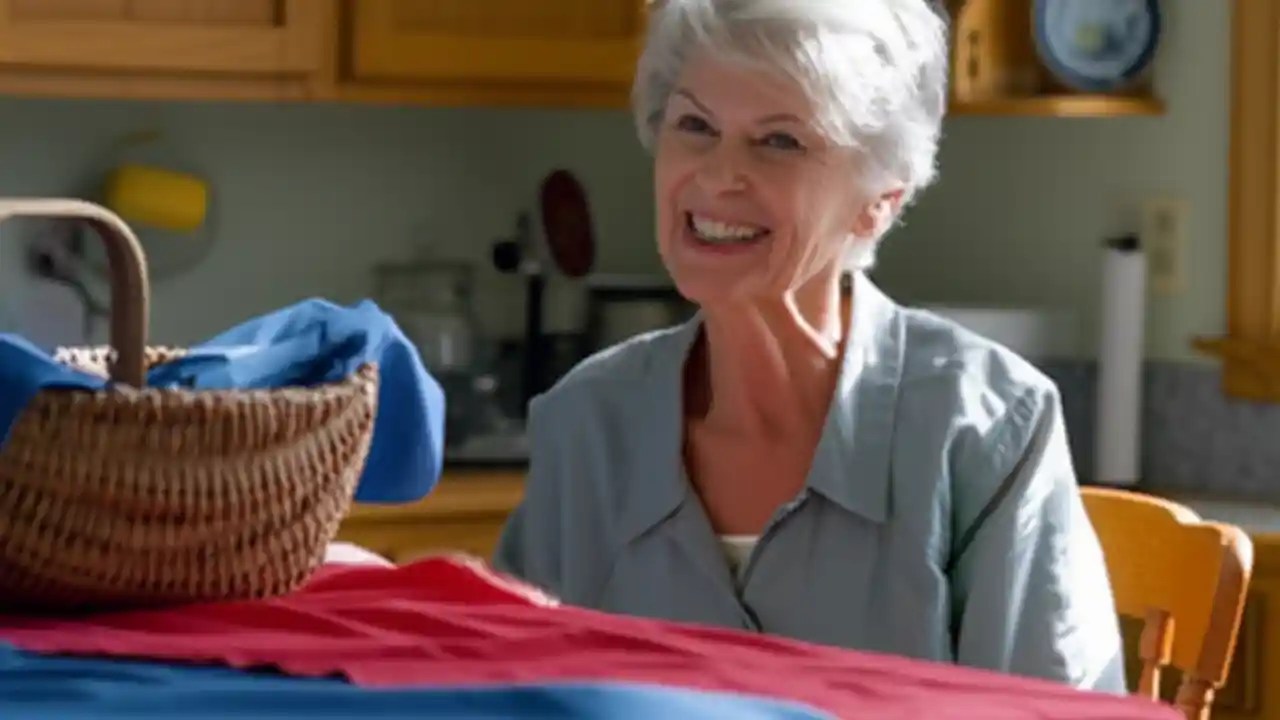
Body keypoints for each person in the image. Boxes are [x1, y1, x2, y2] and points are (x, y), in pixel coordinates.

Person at [493, 0, 1126, 693]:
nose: (715, 175)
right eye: (696, 125)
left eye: (779, 142)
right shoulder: (584, 424)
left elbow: (1049, 712)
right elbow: (512, 696)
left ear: (879, 199)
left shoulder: (986, 432)